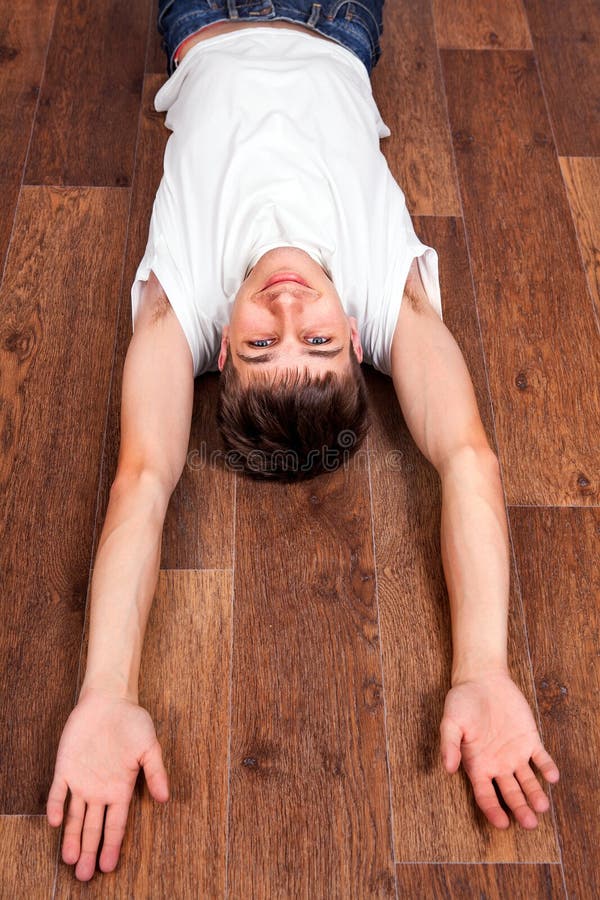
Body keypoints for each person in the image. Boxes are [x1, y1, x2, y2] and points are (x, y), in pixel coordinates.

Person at [45, 0, 560, 883]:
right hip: (336, 21)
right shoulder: (376, 295)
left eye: (260, 343)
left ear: (217, 352)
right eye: (318, 341)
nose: (289, 308)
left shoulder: (185, 305)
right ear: (359, 343)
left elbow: (141, 480)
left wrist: (106, 692)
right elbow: (469, 457)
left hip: (206, 18)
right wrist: (481, 664)